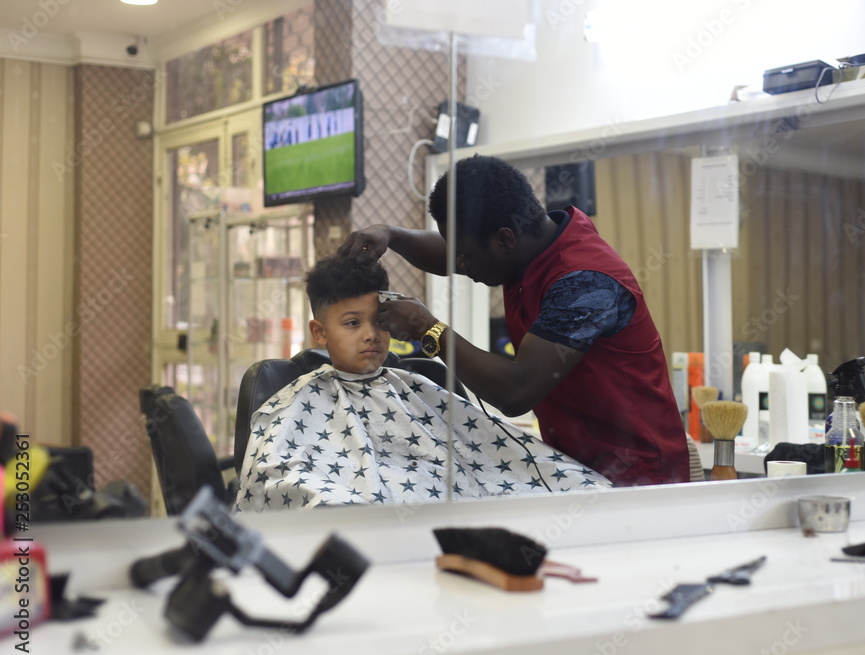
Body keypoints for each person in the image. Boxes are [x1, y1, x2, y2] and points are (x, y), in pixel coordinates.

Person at [339, 154, 690, 486]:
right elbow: (454, 252)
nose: (458, 265)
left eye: (464, 256)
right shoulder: (529, 248)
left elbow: (516, 391)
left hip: (639, 480)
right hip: (576, 470)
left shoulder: (586, 283)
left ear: (505, 239)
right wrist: (392, 234)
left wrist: (426, 328)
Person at [234, 253, 610, 511]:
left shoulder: (417, 388)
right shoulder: (295, 403)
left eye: (380, 321)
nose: (371, 335)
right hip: (374, 537)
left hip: (448, 526)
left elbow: (490, 457)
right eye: (352, 323)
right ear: (319, 332)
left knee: (581, 485)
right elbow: (277, 482)